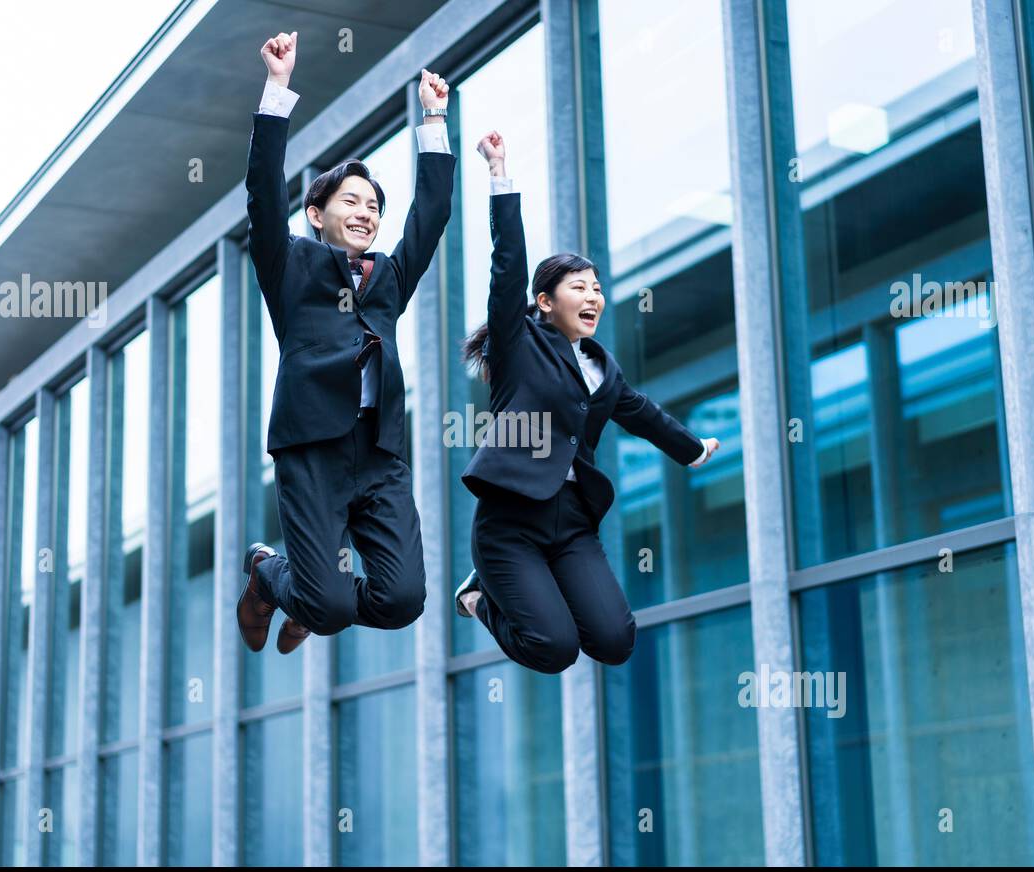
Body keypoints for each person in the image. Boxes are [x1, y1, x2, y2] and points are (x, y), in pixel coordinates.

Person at [454, 130, 720, 674]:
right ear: (546, 302)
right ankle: (479, 598)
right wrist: (500, 174)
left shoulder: (603, 368)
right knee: (553, 648)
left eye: (596, 287)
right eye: (579, 287)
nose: (593, 296)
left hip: (572, 520)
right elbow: (507, 271)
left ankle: (506, 590)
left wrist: (693, 450)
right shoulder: (518, 346)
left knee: (614, 641)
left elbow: (643, 413)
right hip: (511, 519)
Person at [237, 30, 456, 654]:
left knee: (404, 599)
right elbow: (260, 190)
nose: (366, 213)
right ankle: (271, 575)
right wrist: (277, 90)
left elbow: (432, 216)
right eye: (351, 201)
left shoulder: (388, 276)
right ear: (317, 213)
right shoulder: (291, 266)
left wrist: (434, 121)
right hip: (312, 450)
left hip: (380, 451)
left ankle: (309, 595)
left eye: (374, 207)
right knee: (330, 605)